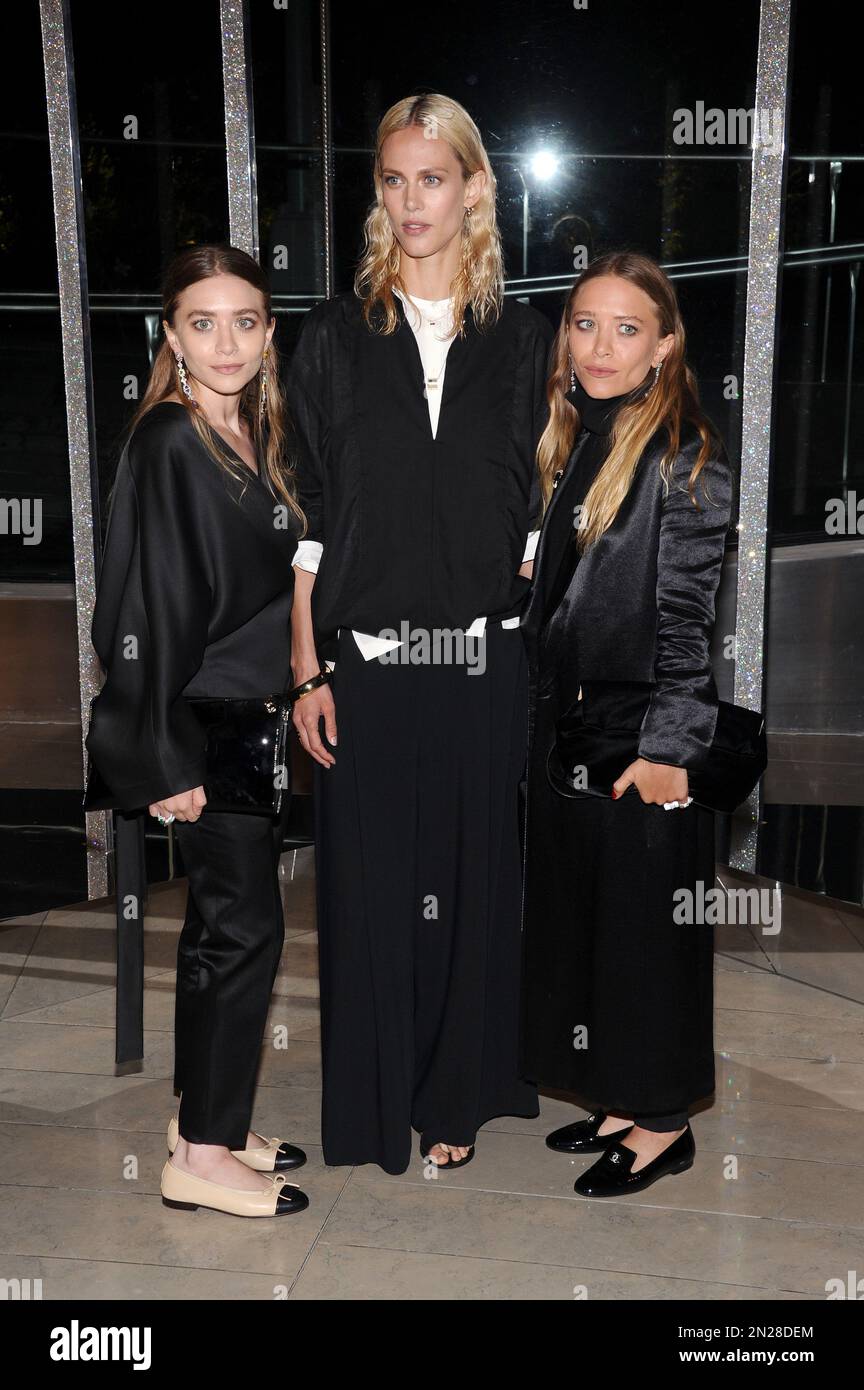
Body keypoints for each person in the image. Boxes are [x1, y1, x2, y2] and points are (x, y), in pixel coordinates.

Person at [286, 93, 553, 1175]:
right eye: (393, 180)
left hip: (485, 663)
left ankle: (454, 1097)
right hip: (371, 667)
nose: (411, 201)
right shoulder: (336, 339)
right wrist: (305, 670)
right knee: (370, 895)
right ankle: (372, 1097)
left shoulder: (526, 338)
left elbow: (542, 508)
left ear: (475, 187)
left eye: (432, 178)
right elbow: (307, 520)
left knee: (473, 884)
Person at [86, 244, 310, 1218]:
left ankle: (200, 1119)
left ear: (269, 332)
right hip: (203, 722)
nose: (227, 341)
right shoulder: (176, 439)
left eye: (247, 320)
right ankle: (205, 1156)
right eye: (203, 323)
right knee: (245, 930)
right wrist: (165, 755)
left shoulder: (249, 431)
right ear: (170, 334)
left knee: (219, 931)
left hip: (242, 716)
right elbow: (147, 609)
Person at [519, 251, 733, 1197]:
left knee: (649, 939)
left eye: (627, 328)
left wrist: (668, 752)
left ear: (665, 347)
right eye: (584, 324)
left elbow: (691, 626)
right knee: (593, 929)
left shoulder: (683, 455)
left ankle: (661, 1120)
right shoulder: (585, 440)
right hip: (573, 733)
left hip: (640, 735)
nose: (600, 346)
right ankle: (615, 1096)